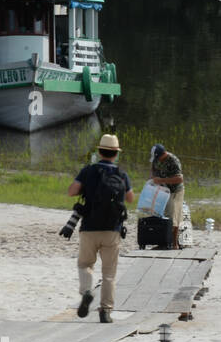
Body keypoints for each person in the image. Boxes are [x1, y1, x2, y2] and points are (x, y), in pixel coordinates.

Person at [67, 133, 135, 323]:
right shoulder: (121, 174)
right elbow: (130, 198)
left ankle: (87, 291)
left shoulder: (88, 171)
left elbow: (71, 191)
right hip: (112, 229)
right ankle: (105, 311)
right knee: (109, 273)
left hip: (89, 226)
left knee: (85, 264)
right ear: (116, 154)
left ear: (99, 151)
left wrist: (87, 189)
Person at [150, 143, 187, 249]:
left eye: (158, 157)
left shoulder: (173, 160)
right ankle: (163, 242)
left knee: (173, 216)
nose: (157, 160)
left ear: (163, 154)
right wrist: (153, 179)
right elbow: (153, 169)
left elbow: (180, 179)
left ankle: (174, 243)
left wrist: (162, 180)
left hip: (176, 191)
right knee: (161, 214)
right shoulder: (156, 159)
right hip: (163, 190)